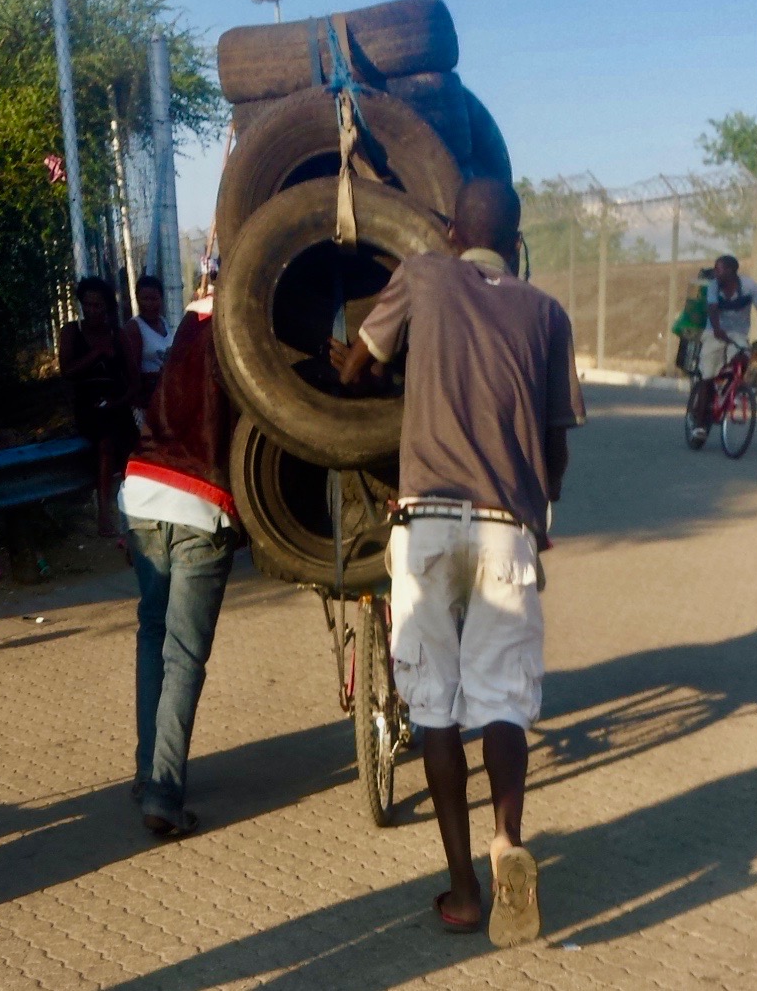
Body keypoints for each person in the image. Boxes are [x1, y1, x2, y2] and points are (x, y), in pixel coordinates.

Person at [331, 178, 586, 948]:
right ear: (515, 241)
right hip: (508, 525)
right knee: (504, 701)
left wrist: (362, 369)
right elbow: (558, 443)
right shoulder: (547, 313)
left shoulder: (423, 274)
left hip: (428, 526)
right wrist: (542, 513)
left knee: (435, 706)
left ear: (449, 232)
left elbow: (357, 367)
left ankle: (465, 891)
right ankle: (507, 841)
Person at [118, 284, 240, 837]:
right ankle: (165, 796)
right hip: (200, 505)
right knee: (184, 654)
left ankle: (149, 772)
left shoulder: (183, 333)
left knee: (153, 633)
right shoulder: (249, 335)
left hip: (141, 492)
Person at [59, 276, 137, 536]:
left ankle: (132, 513)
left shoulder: (118, 334)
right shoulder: (72, 332)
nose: (93, 311)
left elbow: (133, 378)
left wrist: (120, 401)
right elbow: (67, 371)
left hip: (116, 403)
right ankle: (104, 512)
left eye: (98, 306)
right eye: (88, 305)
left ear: (107, 307)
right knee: (105, 443)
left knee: (130, 447)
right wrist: (97, 353)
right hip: (88, 405)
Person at [691, 254, 757, 440]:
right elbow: (713, 309)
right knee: (708, 376)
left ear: (732, 271)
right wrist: (717, 328)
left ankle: (734, 391)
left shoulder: (749, 286)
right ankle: (699, 425)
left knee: (742, 357)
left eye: (719, 269)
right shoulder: (714, 286)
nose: (716, 272)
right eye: (715, 269)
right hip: (714, 332)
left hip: (737, 333)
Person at [121, 274, 173, 415]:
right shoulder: (135, 327)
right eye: (145, 299)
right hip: (146, 401)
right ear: (137, 299)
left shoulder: (164, 323)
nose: (150, 304)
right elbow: (132, 371)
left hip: (166, 395)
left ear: (161, 299)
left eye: (154, 299)